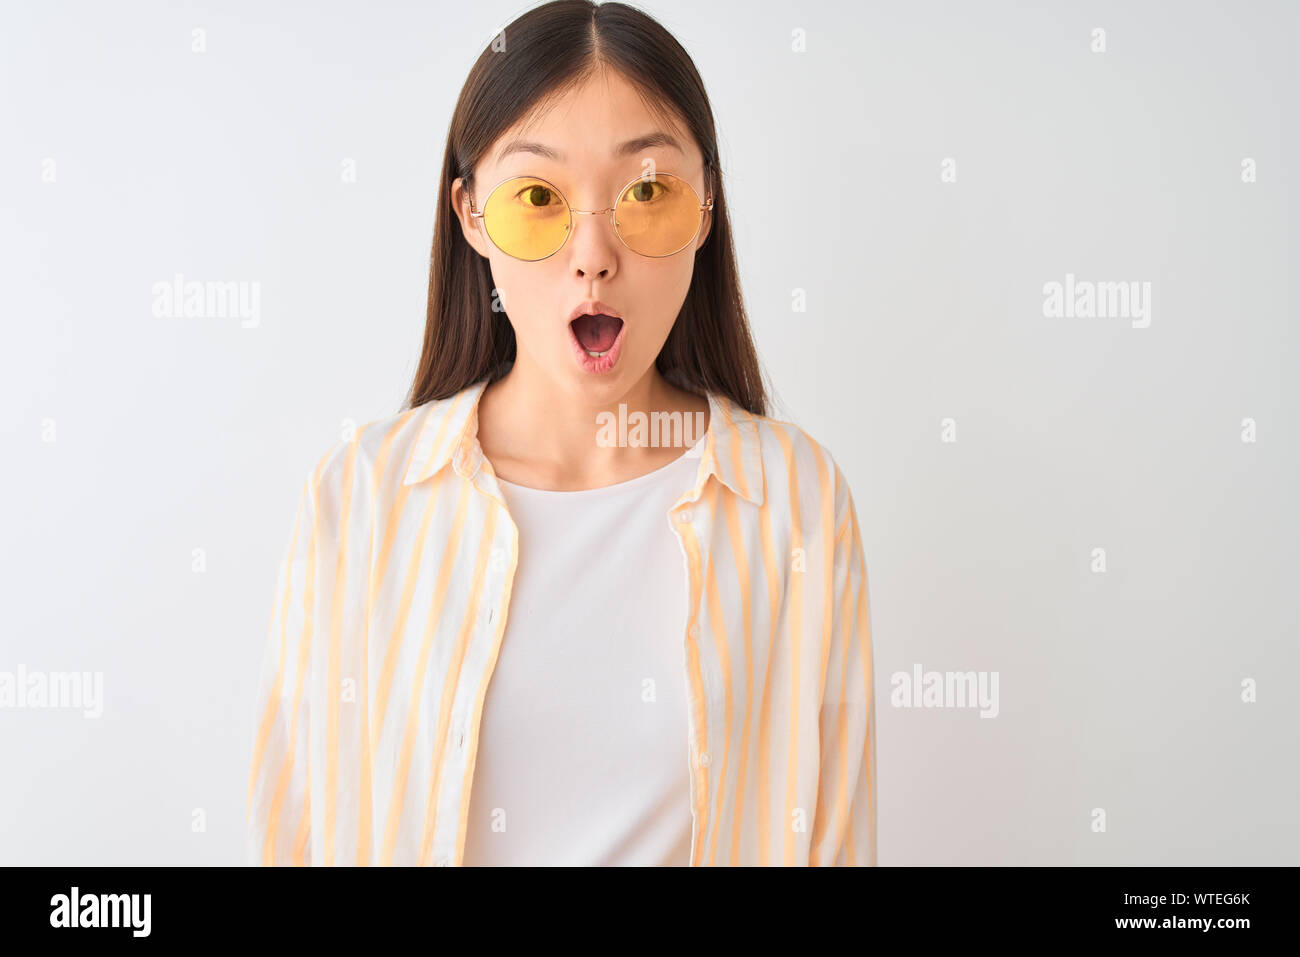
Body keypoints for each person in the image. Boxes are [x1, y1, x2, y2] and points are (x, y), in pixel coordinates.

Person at [247, 0, 875, 867]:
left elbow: (835, 842)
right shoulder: (359, 497)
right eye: (538, 197)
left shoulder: (794, 500)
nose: (594, 253)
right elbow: (297, 836)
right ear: (470, 215)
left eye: (647, 191)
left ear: (705, 207)